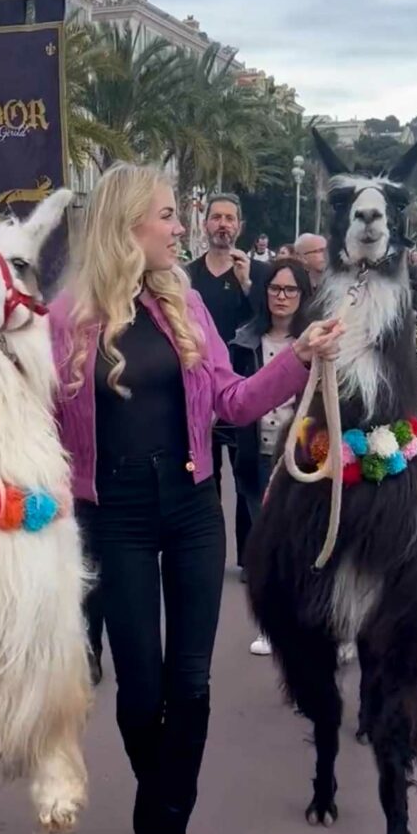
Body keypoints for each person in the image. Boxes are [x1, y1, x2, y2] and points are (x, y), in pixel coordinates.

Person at [49, 164, 342, 834]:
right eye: (168, 215)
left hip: (191, 507)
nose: (180, 228)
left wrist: (299, 358)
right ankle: (163, 805)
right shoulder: (65, 319)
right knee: (139, 691)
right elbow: (34, 424)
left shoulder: (184, 304)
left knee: (191, 683)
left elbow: (235, 403)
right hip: (112, 515)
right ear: (127, 225)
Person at [230, 258, 313, 654]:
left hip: (304, 460)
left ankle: (312, 624)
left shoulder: (317, 342)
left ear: (303, 295)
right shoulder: (244, 341)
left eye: (290, 289)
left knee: (304, 546)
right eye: (275, 288)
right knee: (267, 546)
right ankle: (271, 626)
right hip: (257, 456)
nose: (282, 297)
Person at [186, 193, 269, 576]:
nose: (223, 224)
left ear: (240, 226)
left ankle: (250, 557)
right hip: (198, 391)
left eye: (230, 218)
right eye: (216, 217)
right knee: (204, 477)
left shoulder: (259, 274)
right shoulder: (187, 275)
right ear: (205, 224)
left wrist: (249, 284)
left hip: (241, 388)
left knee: (245, 473)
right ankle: (206, 554)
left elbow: (269, 321)